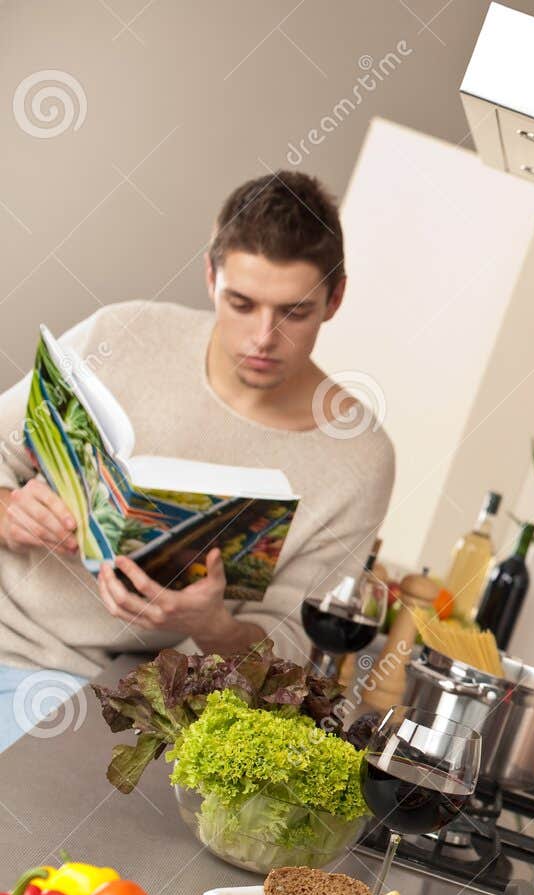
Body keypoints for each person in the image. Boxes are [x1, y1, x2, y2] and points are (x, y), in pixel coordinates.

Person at [0, 170, 394, 749]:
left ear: (334, 299)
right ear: (210, 277)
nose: (263, 337)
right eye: (241, 303)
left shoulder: (360, 458)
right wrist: (8, 509)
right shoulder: (124, 330)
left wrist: (208, 624)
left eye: (295, 312)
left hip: (71, 688)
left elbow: (293, 664)